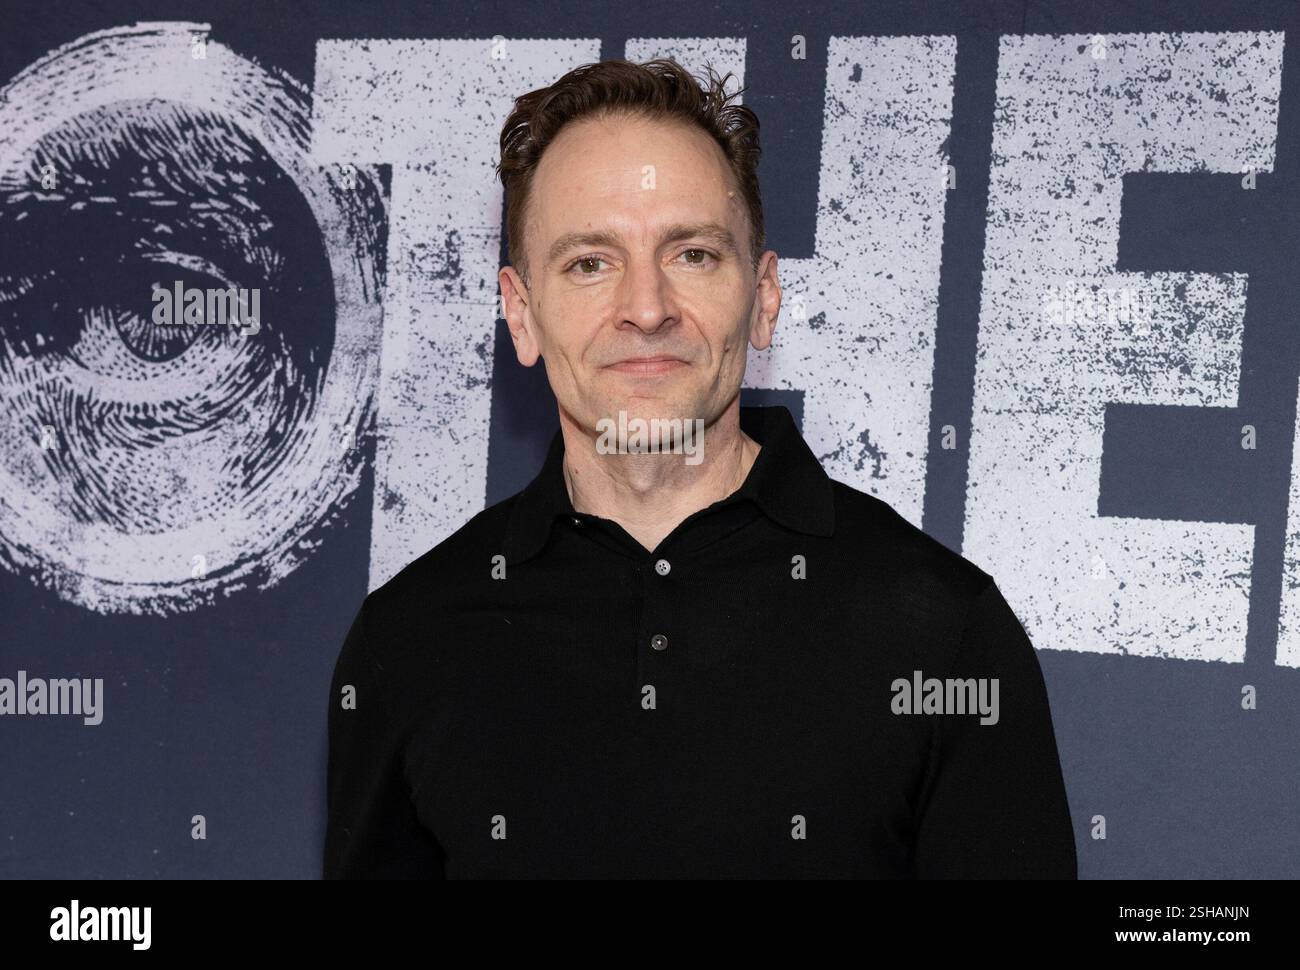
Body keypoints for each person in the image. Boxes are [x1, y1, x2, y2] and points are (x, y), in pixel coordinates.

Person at [324, 57, 1077, 879]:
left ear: (763, 297)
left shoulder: (945, 632)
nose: (646, 308)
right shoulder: (407, 643)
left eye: (691, 254)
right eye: (589, 263)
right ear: (520, 312)